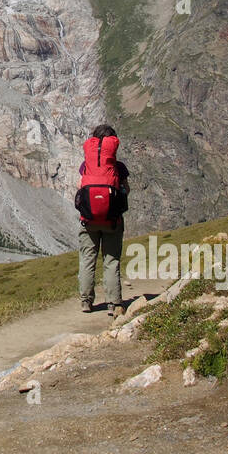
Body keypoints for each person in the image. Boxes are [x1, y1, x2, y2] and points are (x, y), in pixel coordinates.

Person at [76, 125, 129, 317]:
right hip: (112, 220)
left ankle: (86, 301)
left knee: (87, 259)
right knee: (111, 260)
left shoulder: (86, 165)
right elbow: (126, 190)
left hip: (88, 220)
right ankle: (114, 303)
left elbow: (80, 188)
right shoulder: (119, 167)